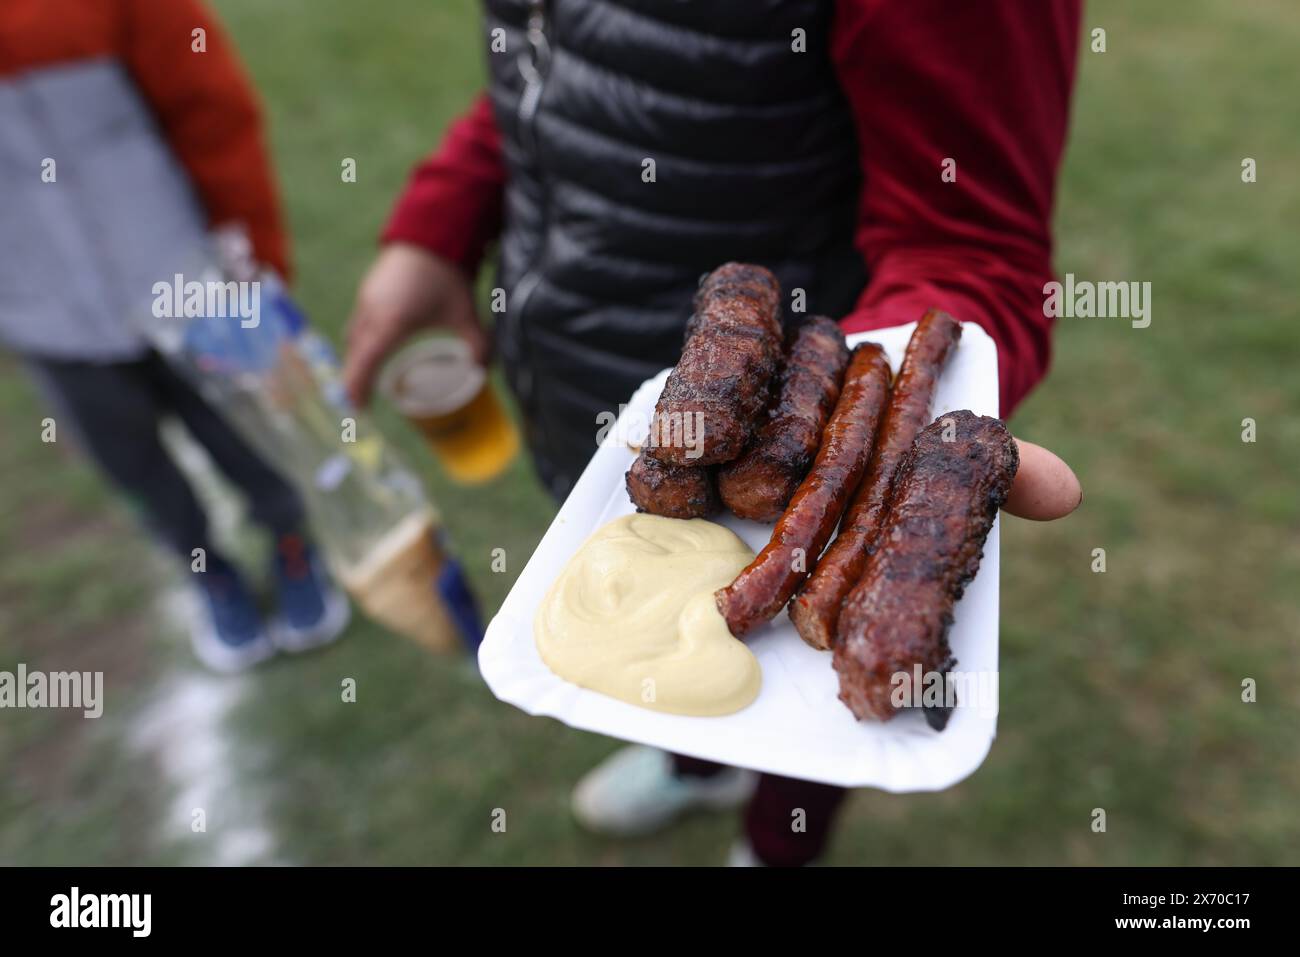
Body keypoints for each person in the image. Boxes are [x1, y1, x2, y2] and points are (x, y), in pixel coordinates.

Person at [343, 0, 1084, 864]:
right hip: (610, 424)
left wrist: (879, 435)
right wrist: (442, 225)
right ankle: (695, 763)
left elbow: (975, 239)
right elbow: (563, 51)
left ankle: (773, 847)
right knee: (657, 618)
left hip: (816, 360)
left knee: (795, 707)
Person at [0, 0, 349, 672]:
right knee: (131, 462)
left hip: (181, 273)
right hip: (44, 313)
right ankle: (209, 573)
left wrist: (251, 255)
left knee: (245, 429)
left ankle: (290, 543)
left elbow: (210, 111)